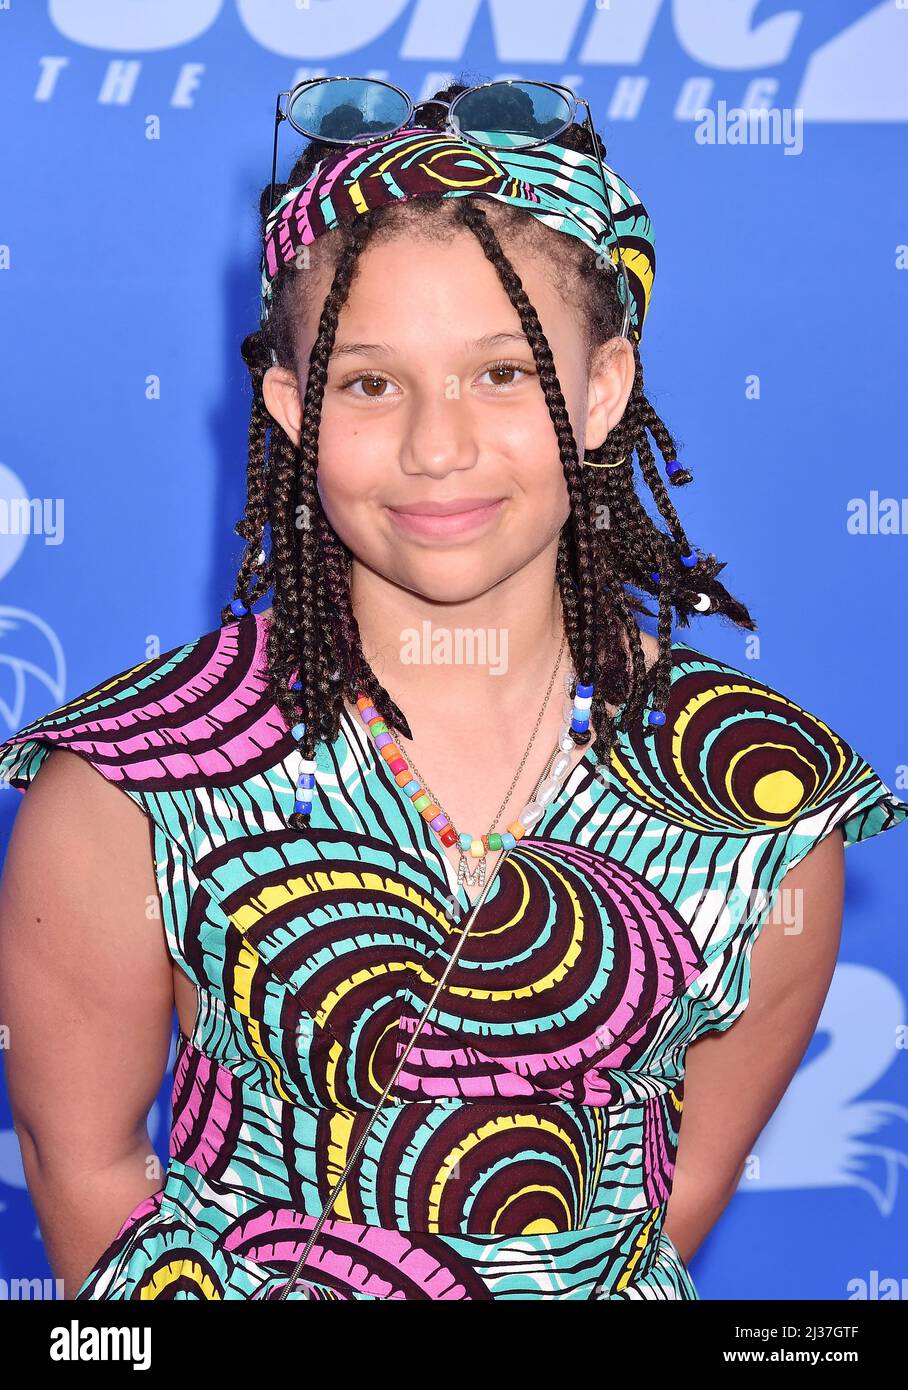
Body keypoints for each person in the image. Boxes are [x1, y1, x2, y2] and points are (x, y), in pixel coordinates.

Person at [0, 78, 905, 1302]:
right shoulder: (131, 773)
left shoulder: (757, 792)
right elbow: (86, 1166)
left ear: (599, 389)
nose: (438, 446)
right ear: (292, 408)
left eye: (501, 373)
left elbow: (673, 1197)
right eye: (369, 383)